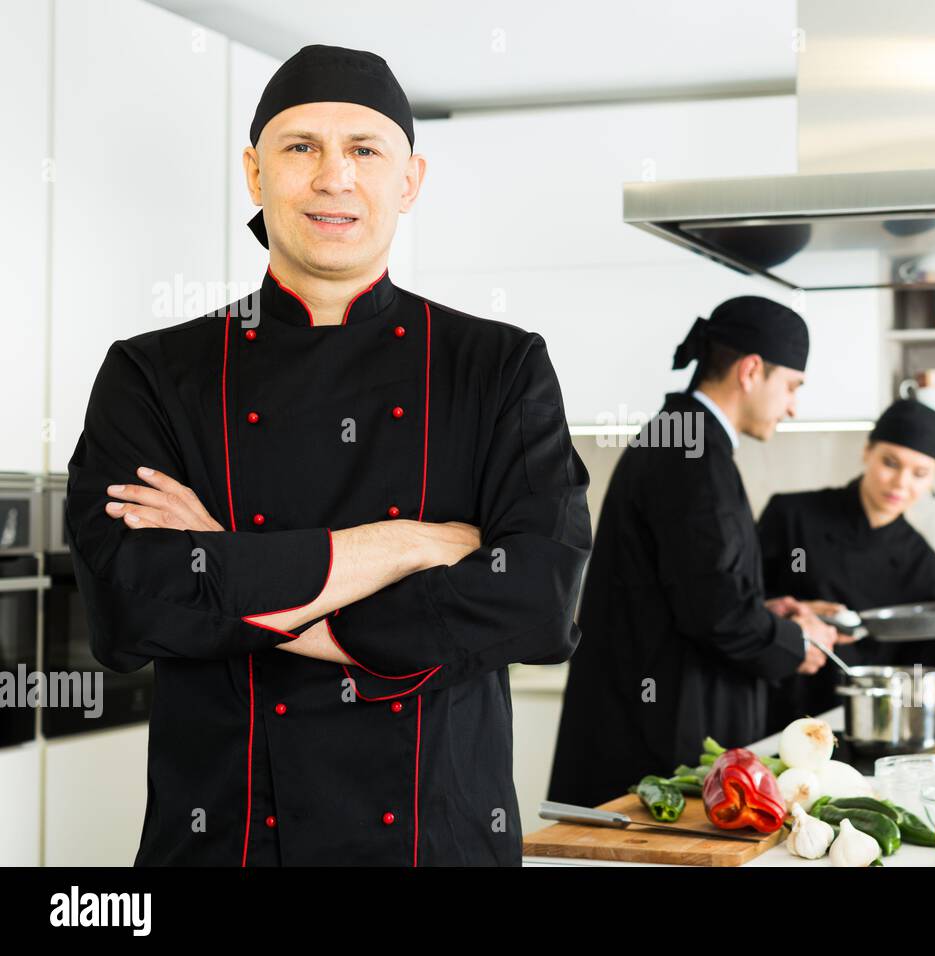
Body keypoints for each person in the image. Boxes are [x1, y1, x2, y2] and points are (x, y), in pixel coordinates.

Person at [63, 44, 592, 866]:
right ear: (255, 172)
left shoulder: (498, 366)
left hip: (435, 841)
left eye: (364, 151)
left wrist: (226, 569)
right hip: (227, 840)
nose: (333, 178)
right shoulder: (152, 372)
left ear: (408, 180)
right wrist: (411, 544)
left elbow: (541, 602)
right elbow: (131, 606)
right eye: (301, 147)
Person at [546, 297, 845, 809]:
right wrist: (796, 643)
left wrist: (767, 613)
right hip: (659, 740)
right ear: (752, 371)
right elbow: (716, 611)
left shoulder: (684, 440)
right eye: (792, 386)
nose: (793, 405)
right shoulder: (691, 454)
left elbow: (696, 588)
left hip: (651, 721)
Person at [757, 398, 935, 735]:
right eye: (890, 462)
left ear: (933, 480)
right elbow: (740, 605)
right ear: (866, 452)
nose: (901, 482)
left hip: (866, 728)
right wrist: (788, 614)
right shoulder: (791, 516)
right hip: (775, 717)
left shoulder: (926, 566)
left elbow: (925, 669)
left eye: (919, 474)